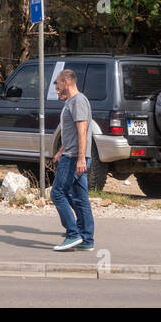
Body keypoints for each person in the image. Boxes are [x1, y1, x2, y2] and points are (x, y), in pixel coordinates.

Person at [50, 68, 95, 251]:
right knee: (79, 198)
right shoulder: (71, 102)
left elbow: (82, 130)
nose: (56, 87)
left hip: (75, 157)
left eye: (57, 83)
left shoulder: (78, 101)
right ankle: (86, 240)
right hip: (70, 154)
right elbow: (70, 133)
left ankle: (73, 234)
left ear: (66, 82)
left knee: (57, 193)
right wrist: (61, 150)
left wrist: (81, 158)